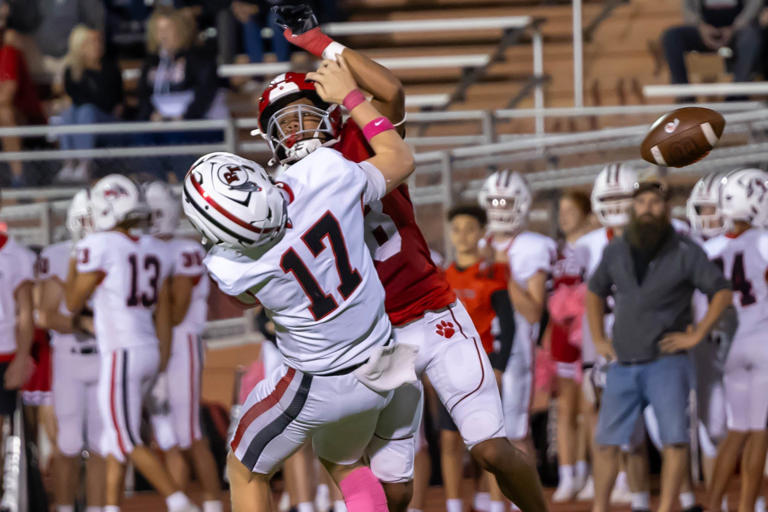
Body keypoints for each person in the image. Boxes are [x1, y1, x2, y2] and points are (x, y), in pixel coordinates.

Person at [265, 6, 549, 512]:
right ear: (269, 138)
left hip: (431, 313)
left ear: (330, 112)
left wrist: (317, 43)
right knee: (393, 490)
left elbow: (392, 94)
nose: (302, 127)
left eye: (310, 113)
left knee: (491, 451)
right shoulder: (279, 198)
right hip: (375, 340)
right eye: (288, 122)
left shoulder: (359, 139)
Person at [184, 56, 419, 512]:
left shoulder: (231, 265)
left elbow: (246, 298)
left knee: (244, 468)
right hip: (382, 354)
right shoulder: (326, 170)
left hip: (322, 380)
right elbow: (399, 158)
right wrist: (352, 98)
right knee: (345, 462)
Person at [586, 172, 733, 512]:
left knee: (675, 440)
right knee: (606, 442)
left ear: (666, 207)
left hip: (667, 362)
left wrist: (696, 333)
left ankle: (667, 507)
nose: (647, 208)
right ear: (633, 208)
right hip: (623, 363)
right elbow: (594, 292)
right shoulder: (616, 248)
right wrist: (597, 338)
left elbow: (721, 291)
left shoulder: (685, 249)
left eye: (654, 202)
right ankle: (599, 508)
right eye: (640, 202)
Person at [66, 174, 199, 512]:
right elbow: (165, 311)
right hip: (147, 347)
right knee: (116, 435)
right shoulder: (154, 247)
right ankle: (111, 506)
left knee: (124, 435)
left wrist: (74, 259)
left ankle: (178, 500)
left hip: (121, 352)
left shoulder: (99, 246)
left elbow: (71, 301)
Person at [144, 181, 223, 512]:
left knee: (189, 433)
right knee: (168, 439)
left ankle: (213, 503)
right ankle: (178, 503)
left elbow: (175, 311)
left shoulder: (185, 250)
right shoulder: (143, 248)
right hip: (154, 344)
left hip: (181, 344)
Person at [441, 205, 515, 512]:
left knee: (490, 443)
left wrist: (498, 366)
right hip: (449, 371)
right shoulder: (441, 277)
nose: (462, 235)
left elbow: (509, 325)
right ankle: (455, 504)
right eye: (456, 228)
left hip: (483, 367)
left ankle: (499, 505)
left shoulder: (494, 273)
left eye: (469, 228)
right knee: (449, 441)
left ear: (482, 233)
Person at [37, 190, 106, 512]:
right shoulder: (57, 255)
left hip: (106, 358)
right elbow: (47, 315)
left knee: (100, 446)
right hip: (69, 358)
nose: (91, 225)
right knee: (67, 444)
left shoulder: (113, 250)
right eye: (85, 218)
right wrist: (85, 324)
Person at [479, 170, 556, 458]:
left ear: (522, 204)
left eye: (506, 202)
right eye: (495, 202)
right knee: (485, 432)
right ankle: (495, 501)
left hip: (517, 349)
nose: (499, 209)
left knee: (515, 432)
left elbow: (535, 312)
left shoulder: (532, 246)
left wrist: (502, 272)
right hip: (483, 343)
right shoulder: (479, 243)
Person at [705, 168, 768, 512]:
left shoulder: (710, 248)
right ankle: (746, 507)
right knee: (757, 430)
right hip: (762, 340)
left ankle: (713, 504)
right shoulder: (763, 242)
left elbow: (701, 305)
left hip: (728, 344)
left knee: (735, 429)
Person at [547, 191, 592, 503]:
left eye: (570, 210)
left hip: (590, 331)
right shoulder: (555, 251)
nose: (564, 216)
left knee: (590, 408)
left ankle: (591, 471)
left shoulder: (595, 245)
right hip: (563, 336)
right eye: (560, 210)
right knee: (566, 407)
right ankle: (568, 474)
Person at [685, 172, 729, 488]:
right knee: (710, 427)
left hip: (743, 339)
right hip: (703, 343)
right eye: (704, 209)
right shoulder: (686, 247)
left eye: (716, 208)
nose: (710, 217)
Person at [57, 25, 124, 183]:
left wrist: (88, 101)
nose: (97, 45)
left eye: (99, 41)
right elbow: (76, 97)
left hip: (107, 121)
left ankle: (85, 164)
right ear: (80, 46)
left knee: (86, 110)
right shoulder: (72, 71)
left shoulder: (110, 69)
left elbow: (109, 102)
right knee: (69, 112)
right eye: (91, 42)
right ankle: (69, 164)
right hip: (83, 119)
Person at [137, 7, 225, 126]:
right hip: (159, 123)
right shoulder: (151, 62)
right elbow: (144, 94)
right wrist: (151, 113)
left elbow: (205, 93)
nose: (163, 35)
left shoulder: (199, 58)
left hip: (197, 123)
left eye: (168, 29)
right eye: (159, 30)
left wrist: (186, 118)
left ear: (180, 30)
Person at [661, 0, 762, 91]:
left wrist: (734, 28)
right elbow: (688, 9)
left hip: (738, 30)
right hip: (703, 29)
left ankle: (737, 92)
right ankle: (684, 93)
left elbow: (754, 6)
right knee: (671, 36)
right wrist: (701, 27)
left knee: (752, 37)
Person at [0, 2, 46, 187]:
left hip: (29, 118)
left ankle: (19, 178)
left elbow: (7, 96)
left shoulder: (9, 53)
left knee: (4, 113)